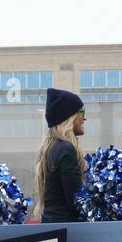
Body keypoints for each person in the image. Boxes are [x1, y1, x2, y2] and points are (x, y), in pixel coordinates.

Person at [33, 88, 86, 223]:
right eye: (81, 112)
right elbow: (75, 200)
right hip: (67, 227)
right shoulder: (66, 149)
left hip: (52, 223)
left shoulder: (50, 147)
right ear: (69, 117)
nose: (84, 118)